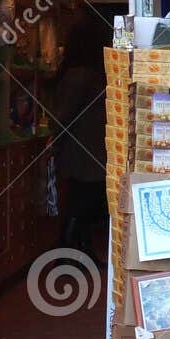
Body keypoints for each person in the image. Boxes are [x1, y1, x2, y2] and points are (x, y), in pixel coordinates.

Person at [53, 15, 109, 262]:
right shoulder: (95, 75)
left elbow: (63, 114)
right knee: (85, 201)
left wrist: (52, 139)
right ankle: (72, 250)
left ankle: (72, 250)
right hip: (91, 150)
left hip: (78, 150)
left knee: (79, 201)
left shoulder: (76, 74)